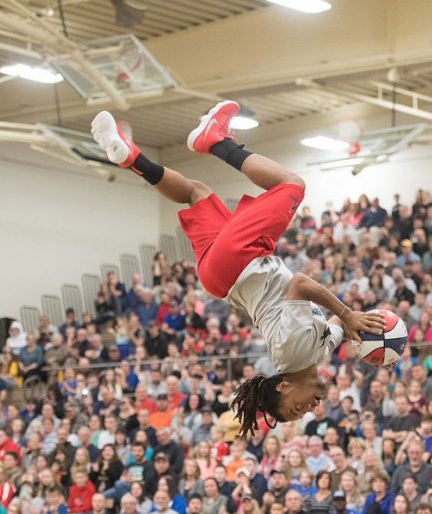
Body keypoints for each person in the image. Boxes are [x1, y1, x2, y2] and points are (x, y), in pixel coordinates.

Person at [92, 103, 385, 437]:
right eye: (304, 413)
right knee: (195, 191)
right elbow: (336, 327)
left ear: (284, 387)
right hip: (219, 280)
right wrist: (366, 328)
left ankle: (215, 140)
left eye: (296, 408)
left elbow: (301, 284)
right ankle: (129, 157)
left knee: (292, 185)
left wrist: (347, 314)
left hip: (241, 262)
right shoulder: (315, 353)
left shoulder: (295, 351)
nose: (309, 409)